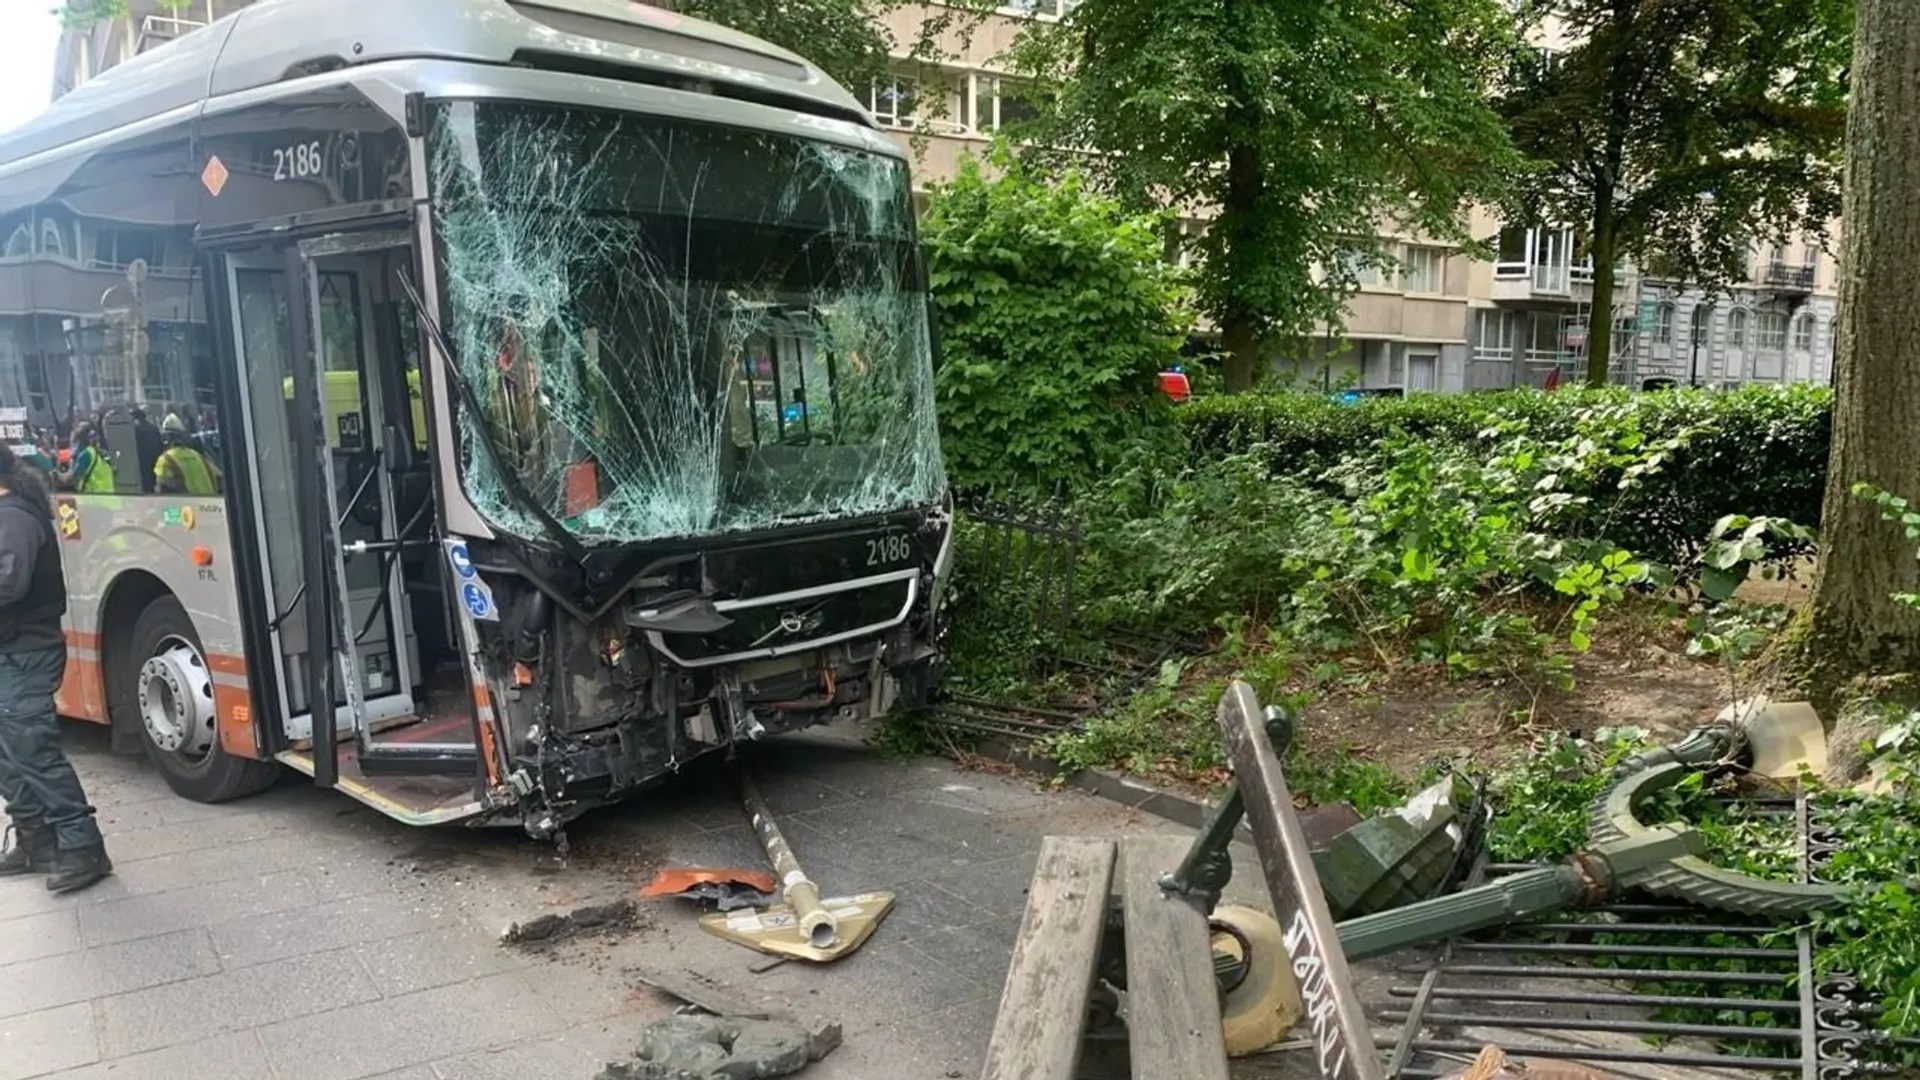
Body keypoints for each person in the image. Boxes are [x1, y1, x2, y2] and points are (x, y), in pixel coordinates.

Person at [0, 443, 111, 893]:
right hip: (10, 648)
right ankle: (37, 840)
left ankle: (83, 845)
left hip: (25, 650)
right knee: (9, 753)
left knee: (31, 750)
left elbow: (9, 582)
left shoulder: (14, 518)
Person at [153, 414, 221, 496]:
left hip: (186, 507)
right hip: (209, 506)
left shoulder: (166, 459)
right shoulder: (198, 456)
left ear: (166, 438)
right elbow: (219, 478)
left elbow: (162, 490)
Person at [58, 423, 113, 494]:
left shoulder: (86, 454)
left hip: (93, 500)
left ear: (80, 439)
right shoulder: (100, 452)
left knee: (63, 503)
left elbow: (74, 479)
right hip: (109, 498)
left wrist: (60, 480)